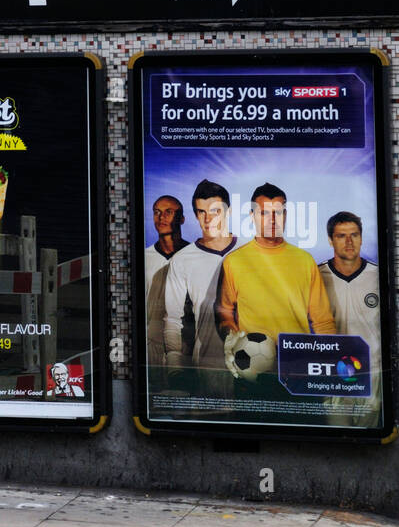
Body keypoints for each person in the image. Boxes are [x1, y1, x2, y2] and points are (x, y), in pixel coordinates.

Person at [216, 184, 336, 374]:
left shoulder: (305, 261)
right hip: (252, 367)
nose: (272, 220)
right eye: (264, 213)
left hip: (298, 366)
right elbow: (225, 312)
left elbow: (322, 322)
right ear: (252, 215)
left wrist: (331, 368)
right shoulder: (234, 262)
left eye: (278, 213)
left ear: (286, 215)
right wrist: (231, 336)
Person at [163, 179, 240, 404]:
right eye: (201, 212)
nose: (208, 219)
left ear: (229, 211)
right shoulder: (182, 260)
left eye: (215, 211)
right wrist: (175, 369)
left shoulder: (249, 250)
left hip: (253, 364)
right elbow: (172, 320)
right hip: (209, 366)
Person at [319, 211, 382, 428]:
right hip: (332, 374)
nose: (349, 242)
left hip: (371, 373)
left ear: (361, 238)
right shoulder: (317, 276)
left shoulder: (378, 277)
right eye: (341, 236)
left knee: (370, 440)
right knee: (338, 436)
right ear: (330, 240)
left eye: (354, 235)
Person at [144, 195, 188, 369]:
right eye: (157, 212)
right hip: (151, 348)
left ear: (182, 218)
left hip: (186, 348)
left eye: (168, 212)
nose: (161, 217)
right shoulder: (145, 258)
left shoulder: (194, 256)